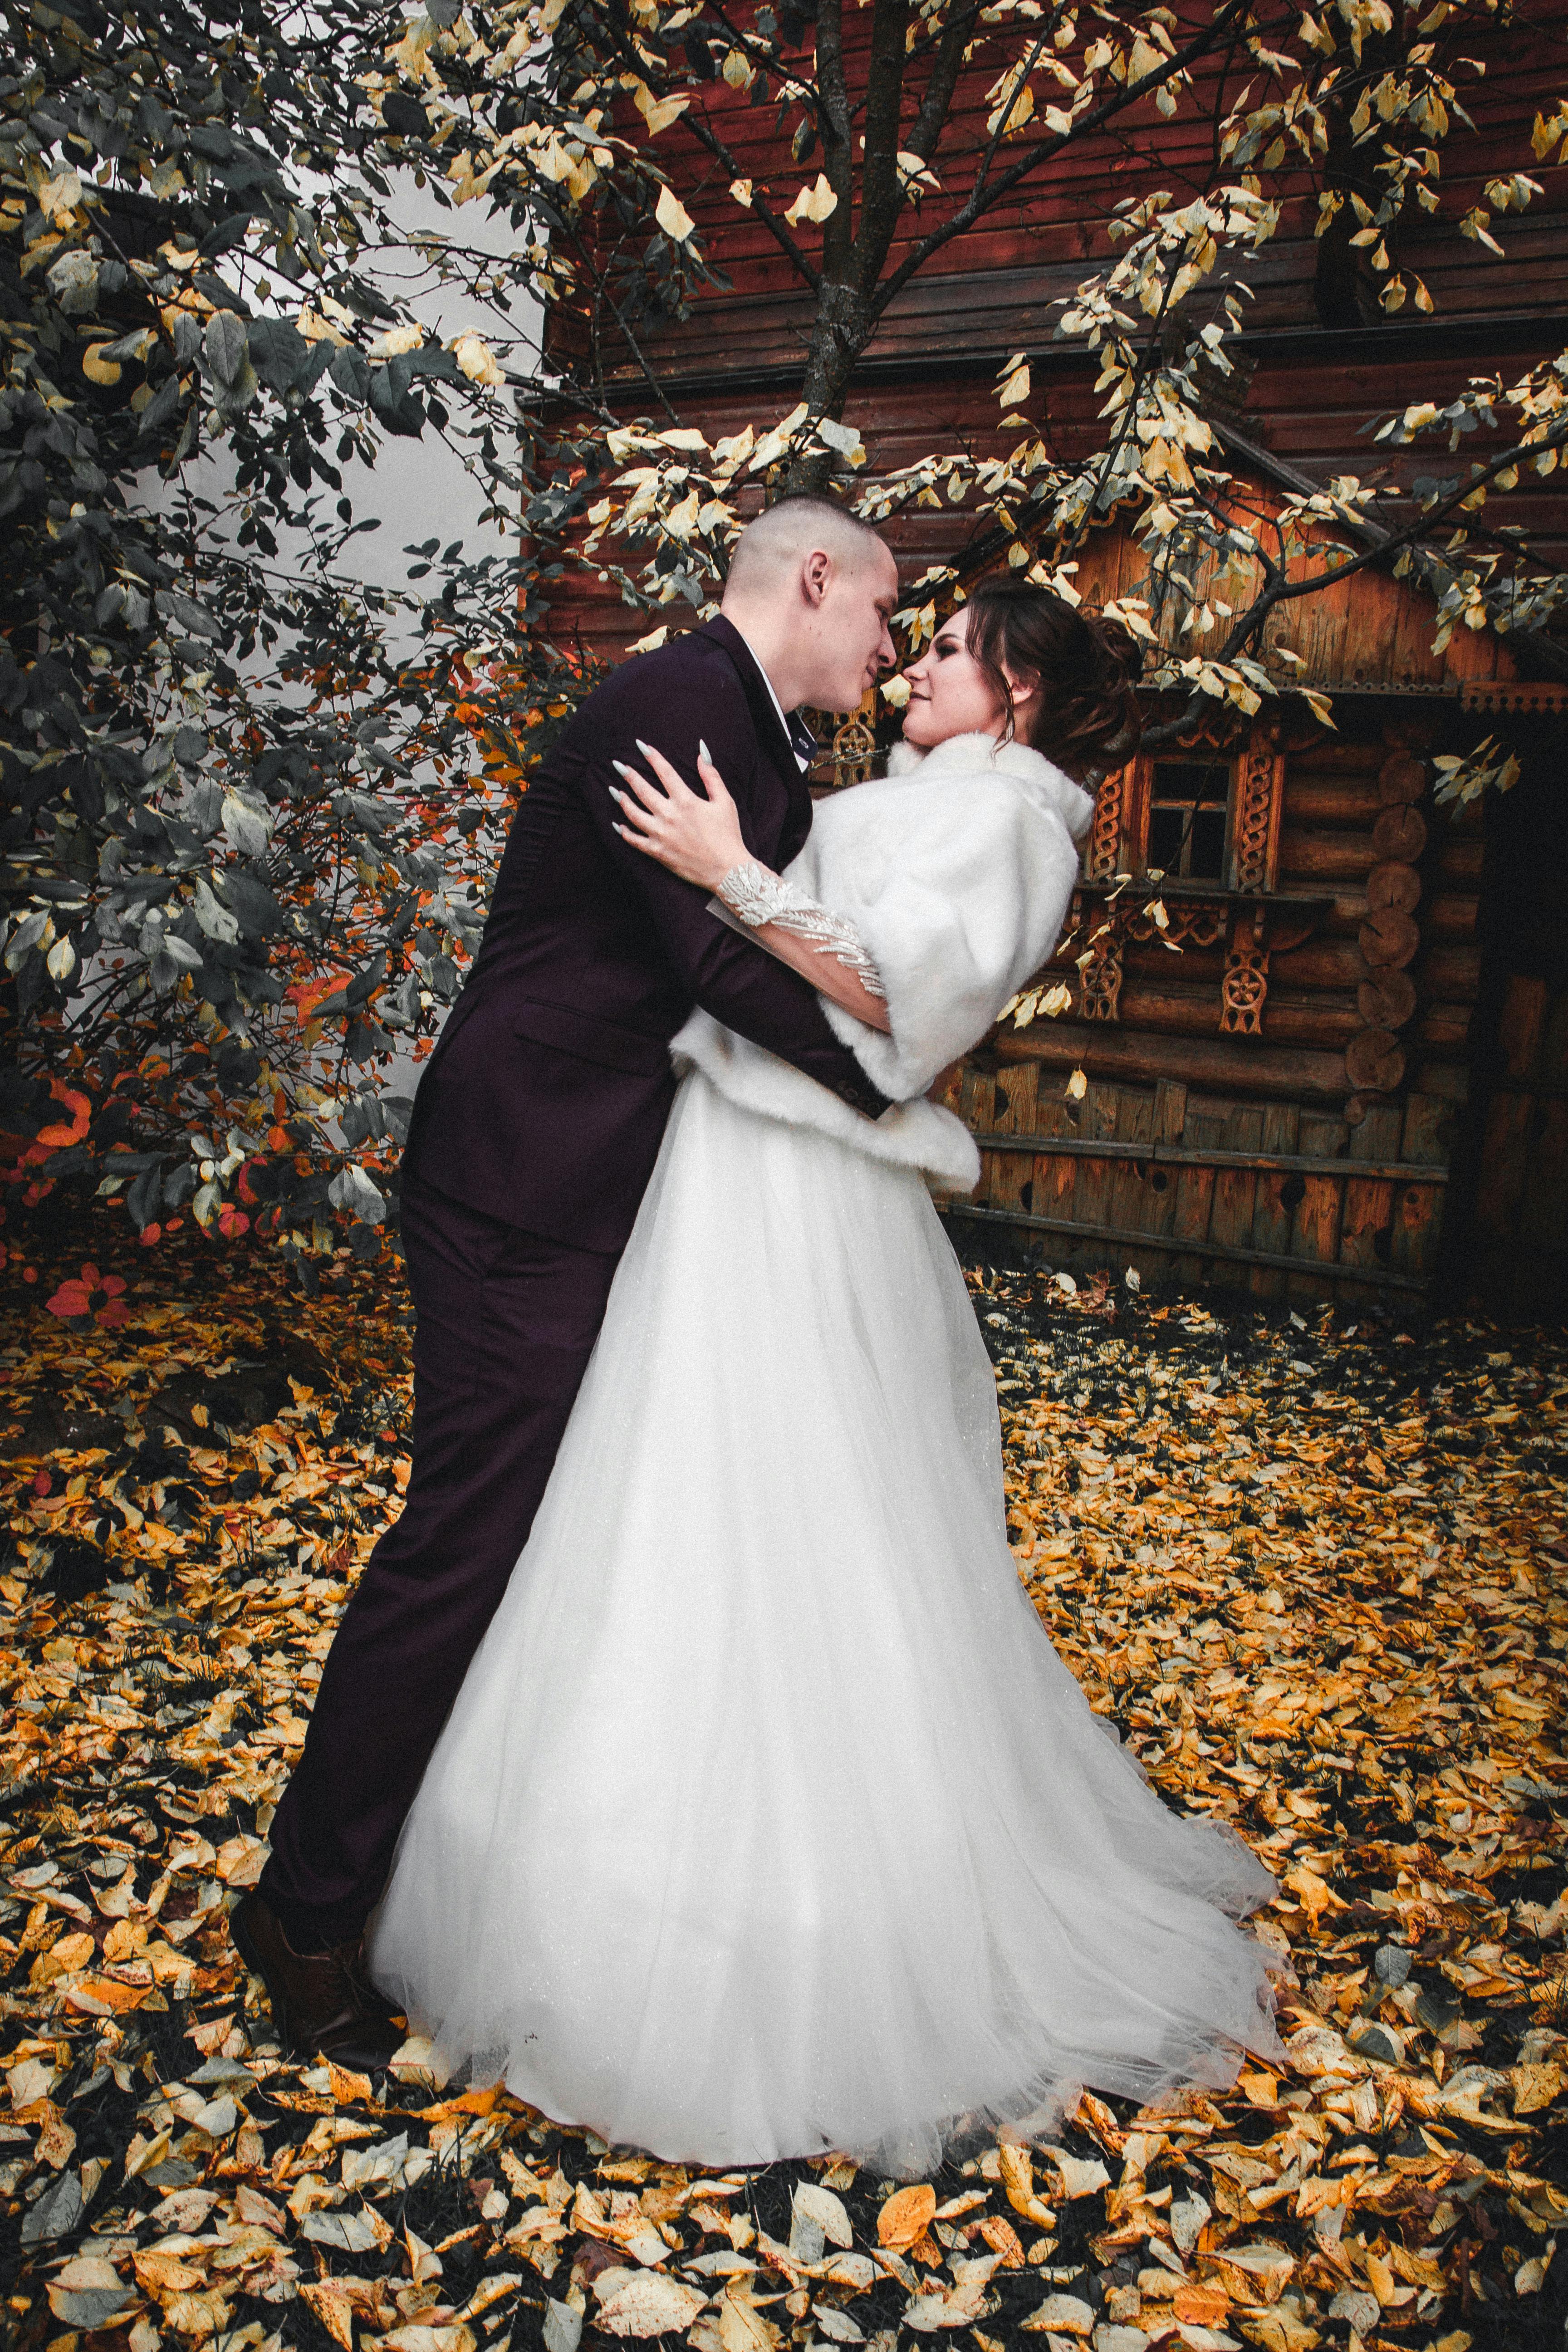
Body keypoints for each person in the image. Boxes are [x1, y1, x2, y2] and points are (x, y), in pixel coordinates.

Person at [366, 580, 1285, 2175]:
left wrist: (732, 876)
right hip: (724, 1165)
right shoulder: (925, 795)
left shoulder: (1016, 828)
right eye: (912, 638)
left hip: (803, 1190)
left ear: (1020, 697)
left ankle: (804, 1915)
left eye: (950, 652)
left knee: (789, 1510)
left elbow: (901, 1006)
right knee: (665, 1496)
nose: (916, 662)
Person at [232, 497, 903, 2068]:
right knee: (463, 1544)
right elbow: (716, 964)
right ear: (815, 577)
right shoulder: (676, 702)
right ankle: (305, 1910)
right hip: (519, 1179)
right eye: (884, 605)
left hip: (594, 1180)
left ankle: (436, 1869)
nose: (889, 639)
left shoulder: (743, 722)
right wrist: (897, 1074)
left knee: (540, 1539)